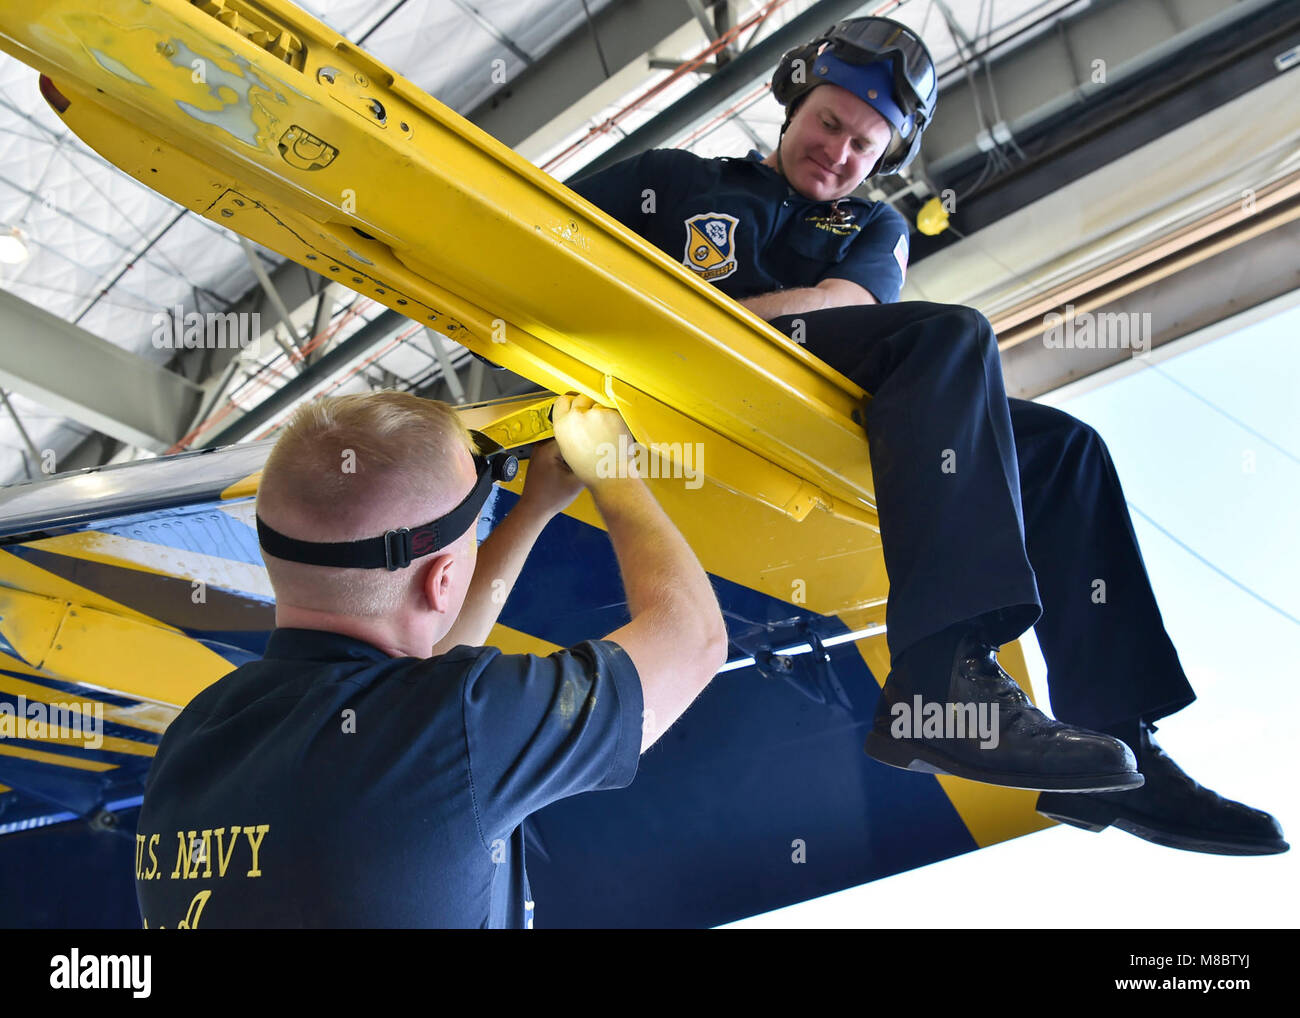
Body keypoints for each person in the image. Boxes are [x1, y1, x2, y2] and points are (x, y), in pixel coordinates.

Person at [569, 16, 1286, 855]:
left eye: (863, 147)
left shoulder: (870, 229)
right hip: (684, 392)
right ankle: (940, 680)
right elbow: (539, 231)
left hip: (831, 408)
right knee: (951, 333)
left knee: (1065, 450)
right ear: (795, 101)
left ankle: (1120, 752)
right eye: (830, 123)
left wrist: (714, 322)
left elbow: (849, 308)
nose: (839, 153)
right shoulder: (673, 179)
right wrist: (657, 337)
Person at [134, 390, 727, 927]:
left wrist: (534, 509)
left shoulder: (196, 731)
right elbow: (693, 640)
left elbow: (417, 689)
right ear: (443, 582)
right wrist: (614, 473)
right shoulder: (449, 727)